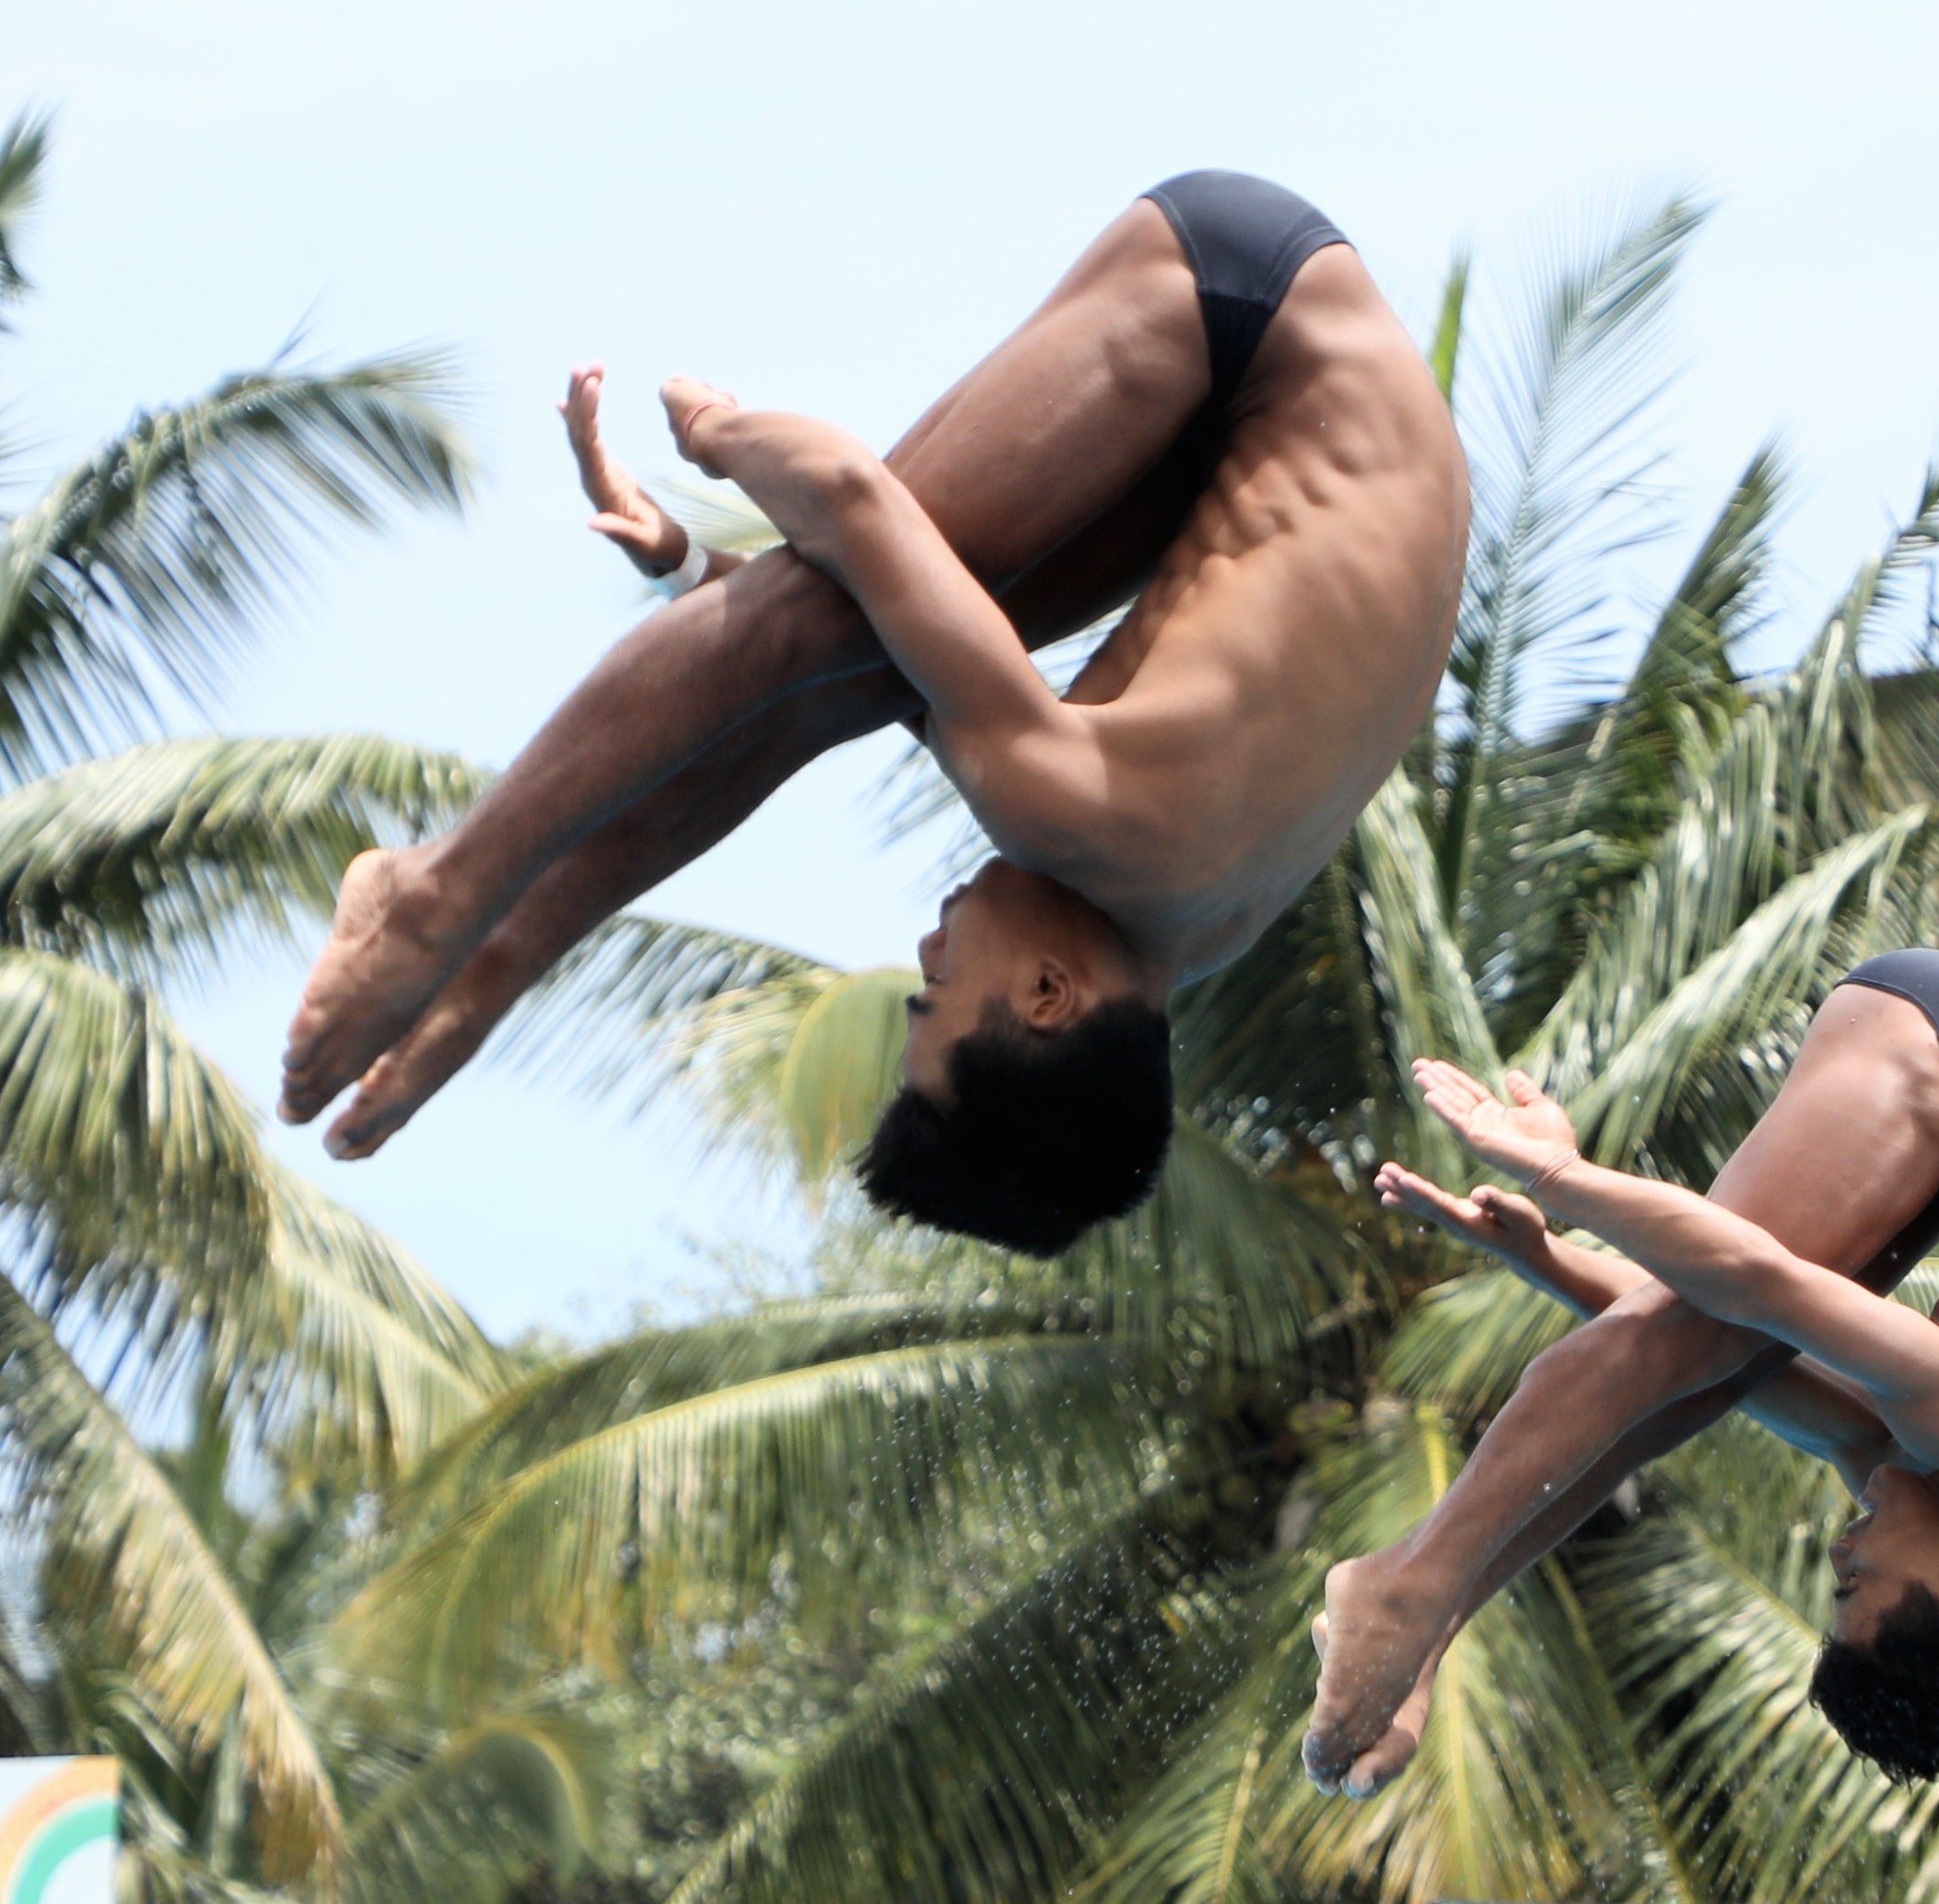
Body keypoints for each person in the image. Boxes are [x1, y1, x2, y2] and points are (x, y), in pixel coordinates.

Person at [280, 174, 1469, 1255]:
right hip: (1244, 307)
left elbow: (898, 662)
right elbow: (847, 496)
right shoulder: (1087, 819)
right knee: (816, 621)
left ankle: (494, 950)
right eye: (933, 995)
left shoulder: (1191, 924)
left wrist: (692, 566)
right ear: (1048, 999)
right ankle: (437, 897)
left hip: (1271, 421)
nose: (927, 952)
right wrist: (717, 434)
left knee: (843, 658)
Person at [1302, 948, 1939, 1793]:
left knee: (1704, 1376)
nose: (1839, 1549)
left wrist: (1547, 1259)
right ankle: (1407, 1586)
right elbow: (1753, 1281)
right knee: (1682, 1345)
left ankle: (1431, 1626)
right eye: (1856, 1580)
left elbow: (1736, 1349)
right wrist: (1559, 1174)